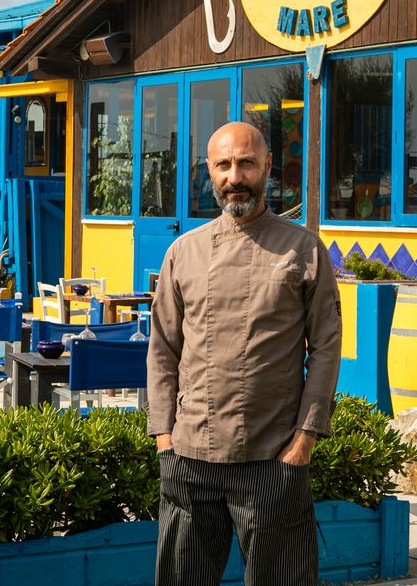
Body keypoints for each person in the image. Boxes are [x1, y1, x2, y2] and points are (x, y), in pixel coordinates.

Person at [147, 121, 342, 586]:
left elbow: (327, 349)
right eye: (224, 165)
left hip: (273, 456)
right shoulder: (183, 253)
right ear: (210, 172)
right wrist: (164, 440)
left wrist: (305, 440)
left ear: (267, 167)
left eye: (246, 163)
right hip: (190, 456)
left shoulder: (304, 250)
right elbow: (162, 352)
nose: (235, 176)